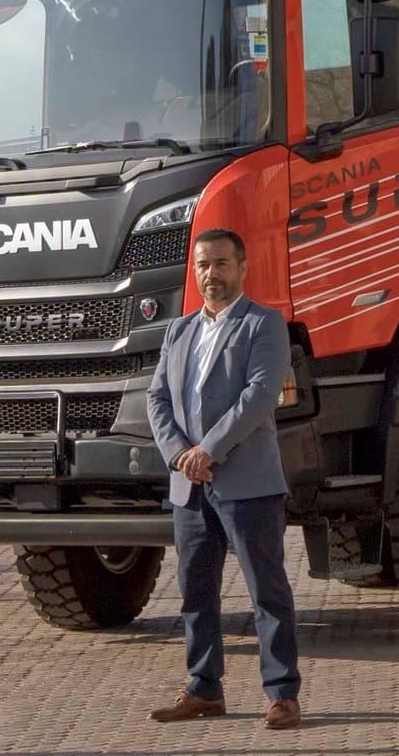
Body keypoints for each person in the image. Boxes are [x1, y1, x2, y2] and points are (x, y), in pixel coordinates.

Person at [145, 227, 302, 730]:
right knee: (195, 592)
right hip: (189, 486)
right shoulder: (178, 330)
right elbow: (156, 398)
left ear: (242, 268)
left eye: (220, 264)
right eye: (203, 265)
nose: (210, 274)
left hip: (248, 482)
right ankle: (203, 689)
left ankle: (282, 694)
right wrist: (180, 456)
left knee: (267, 592)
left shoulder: (264, 324)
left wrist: (207, 451)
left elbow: (259, 395)